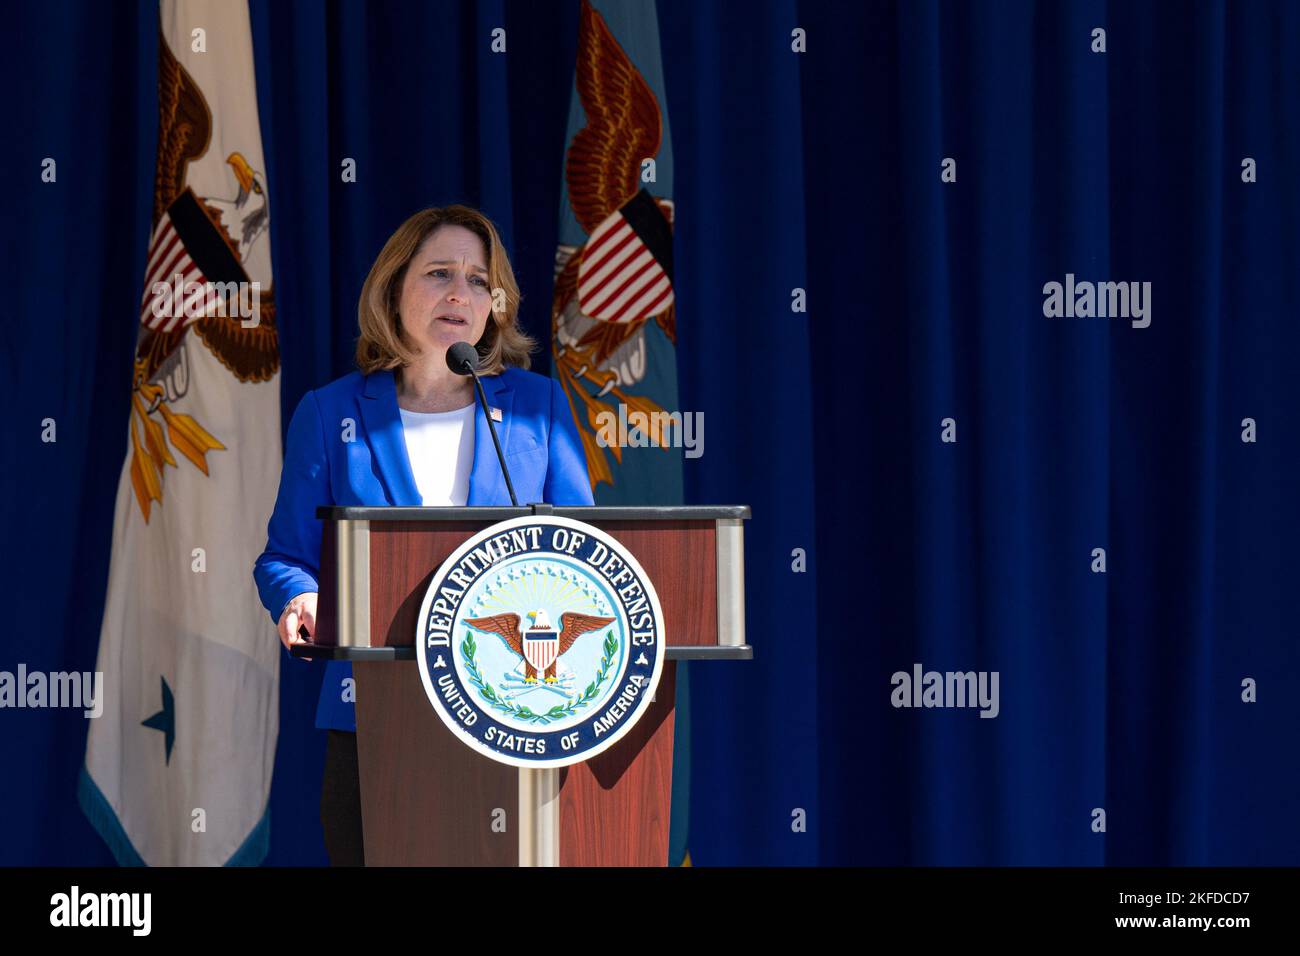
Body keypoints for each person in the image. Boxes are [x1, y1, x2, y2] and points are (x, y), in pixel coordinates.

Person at [252, 205, 595, 865]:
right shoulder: (330, 413)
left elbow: (584, 555)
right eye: (440, 273)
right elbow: (287, 558)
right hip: (374, 721)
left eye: (476, 279)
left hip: (515, 714)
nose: (460, 294)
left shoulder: (537, 408)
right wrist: (299, 599)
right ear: (393, 289)